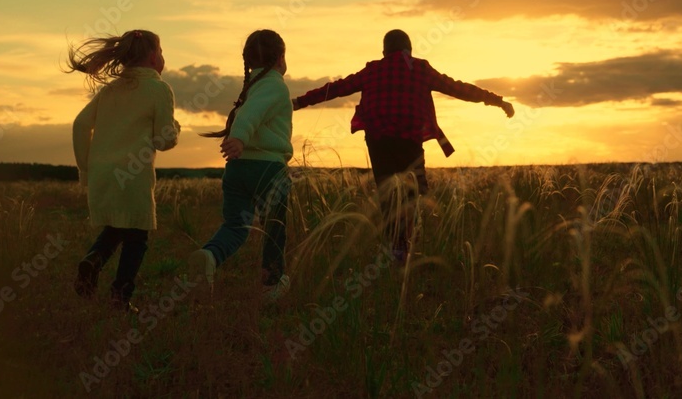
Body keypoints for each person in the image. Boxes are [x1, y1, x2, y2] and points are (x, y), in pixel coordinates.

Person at [291, 29, 514, 262]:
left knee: (388, 194)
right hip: (410, 141)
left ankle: (395, 248)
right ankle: (404, 247)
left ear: (384, 52)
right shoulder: (421, 69)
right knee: (412, 194)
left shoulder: (373, 70)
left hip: (378, 141)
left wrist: (299, 102)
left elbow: (337, 88)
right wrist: (497, 101)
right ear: (409, 50)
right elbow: (458, 88)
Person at [68, 29, 180, 312]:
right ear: (153, 57)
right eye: (162, 51)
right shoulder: (159, 89)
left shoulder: (109, 90)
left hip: (102, 172)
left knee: (117, 226)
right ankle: (120, 297)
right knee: (137, 236)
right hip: (133, 173)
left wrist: (85, 169)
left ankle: (93, 261)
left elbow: (80, 125)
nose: (163, 56)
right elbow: (164, 140)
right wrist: (175, 130)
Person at [188, 29, 293, 302]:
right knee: (274, 227)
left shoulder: (252, 87)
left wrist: (238, 141)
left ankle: (210, 255)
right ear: (280, 58)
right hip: (268, 170)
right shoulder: (274, 85)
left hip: (238, 169)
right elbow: (250, 114)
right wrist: (239, 137)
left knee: (235, 225)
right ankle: (271, 285)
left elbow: (250, 111)